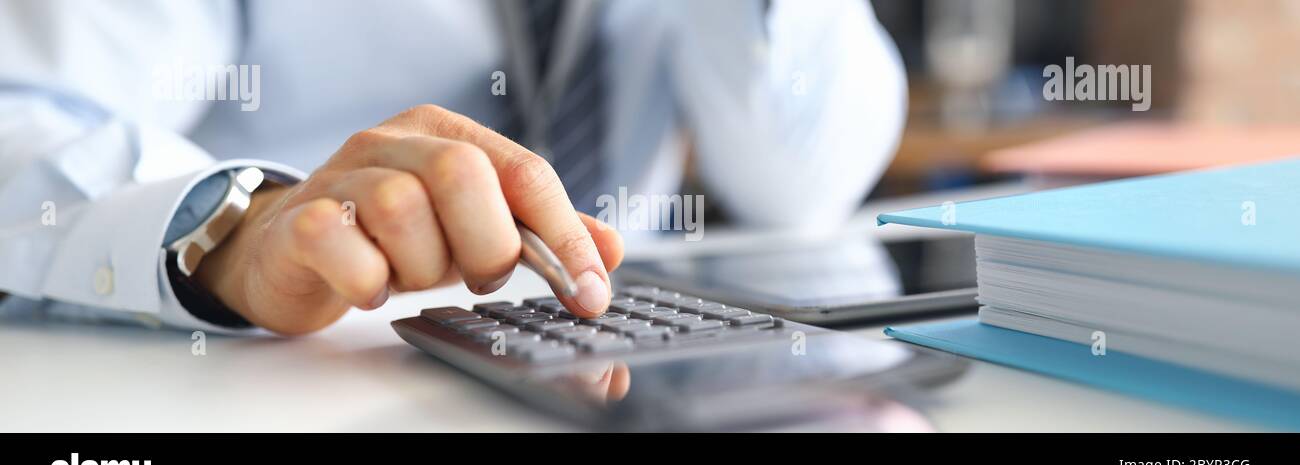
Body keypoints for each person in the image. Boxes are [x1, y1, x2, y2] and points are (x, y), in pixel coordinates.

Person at [0, 0, 906, 335]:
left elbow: (805, 179)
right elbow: (26, 106)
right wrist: (232, 225)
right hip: (314, 362)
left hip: (641, 353)